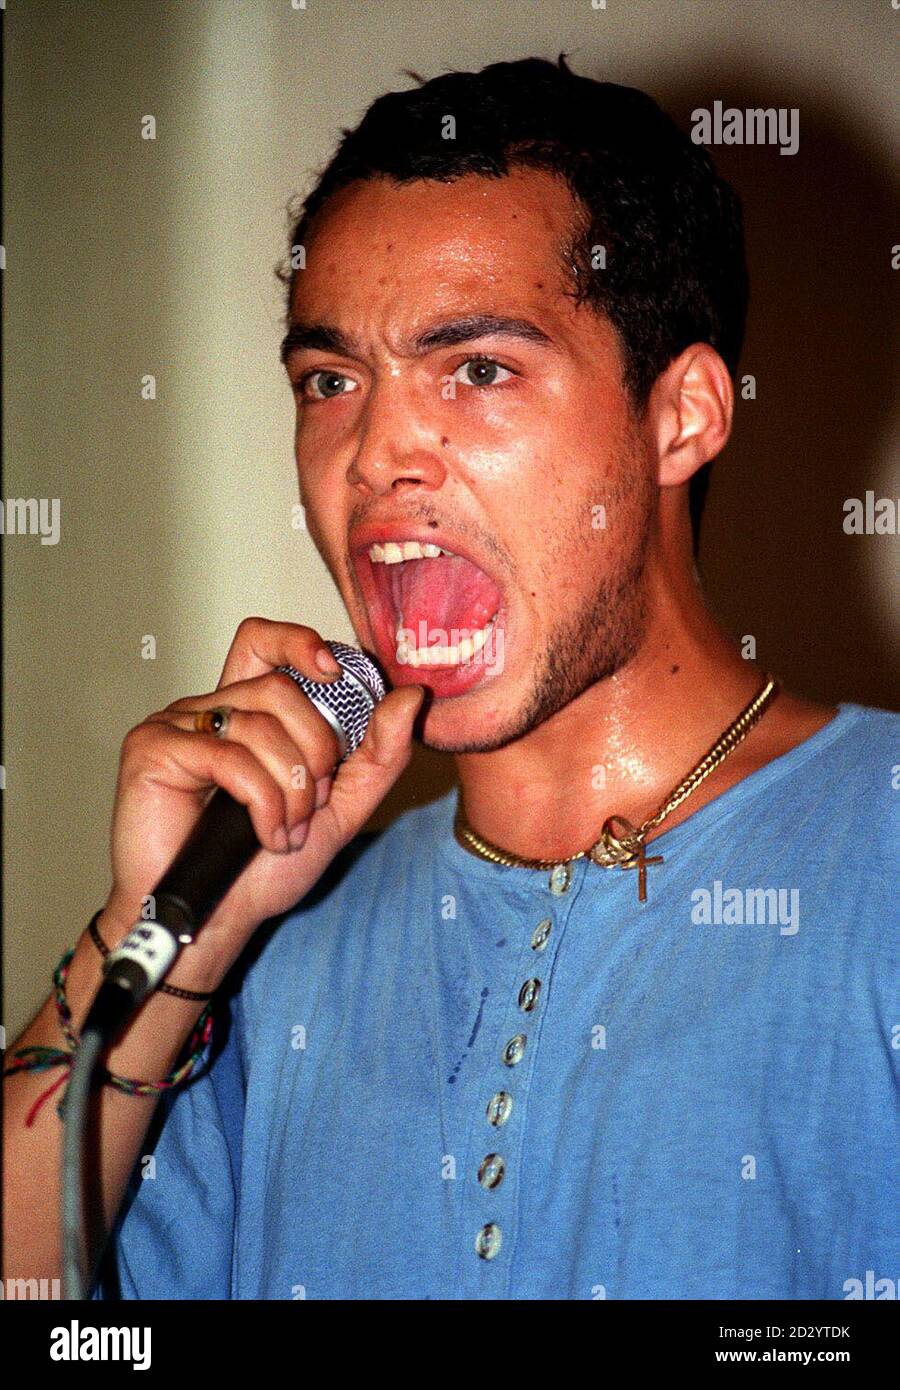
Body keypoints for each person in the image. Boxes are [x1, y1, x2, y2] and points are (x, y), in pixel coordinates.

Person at [5, 57, 896, 1301]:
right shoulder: (269, 945)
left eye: (476, 369)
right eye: (331, 382)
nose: (373, 454)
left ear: (681, 416)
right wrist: (159, 929)